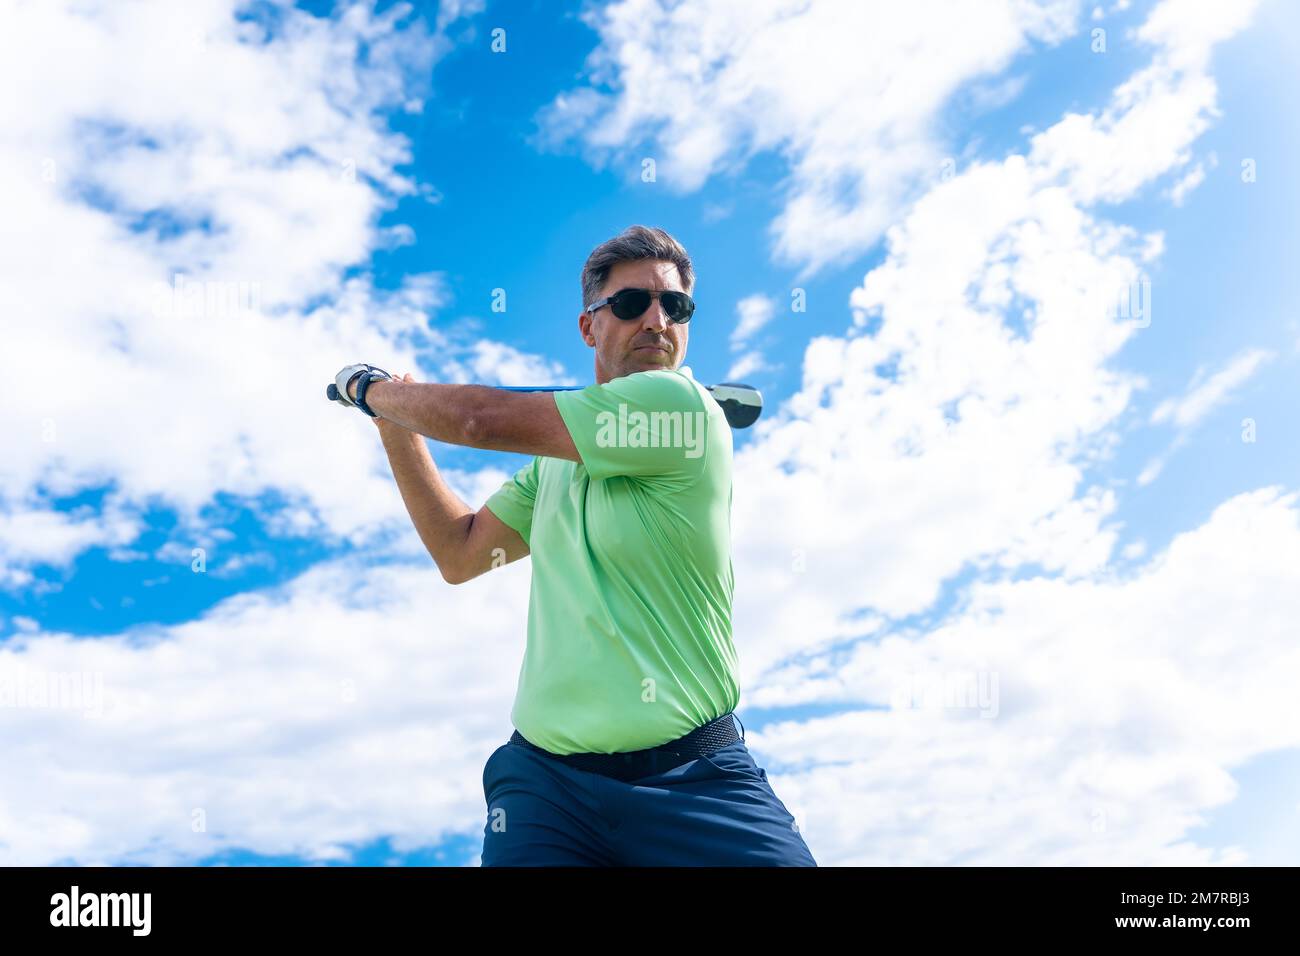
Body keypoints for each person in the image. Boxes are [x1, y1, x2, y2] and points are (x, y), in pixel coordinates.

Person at [332, 225, 816, 866]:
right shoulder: (552, 467)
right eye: (629, 303)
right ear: (589, 326)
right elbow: (460, 552)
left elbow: (480, 419)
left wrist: (369, 389)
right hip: (547, 786)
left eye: (674, 306)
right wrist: (397, 428)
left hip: (694, 779)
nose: (655, 319)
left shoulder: (680, 408)